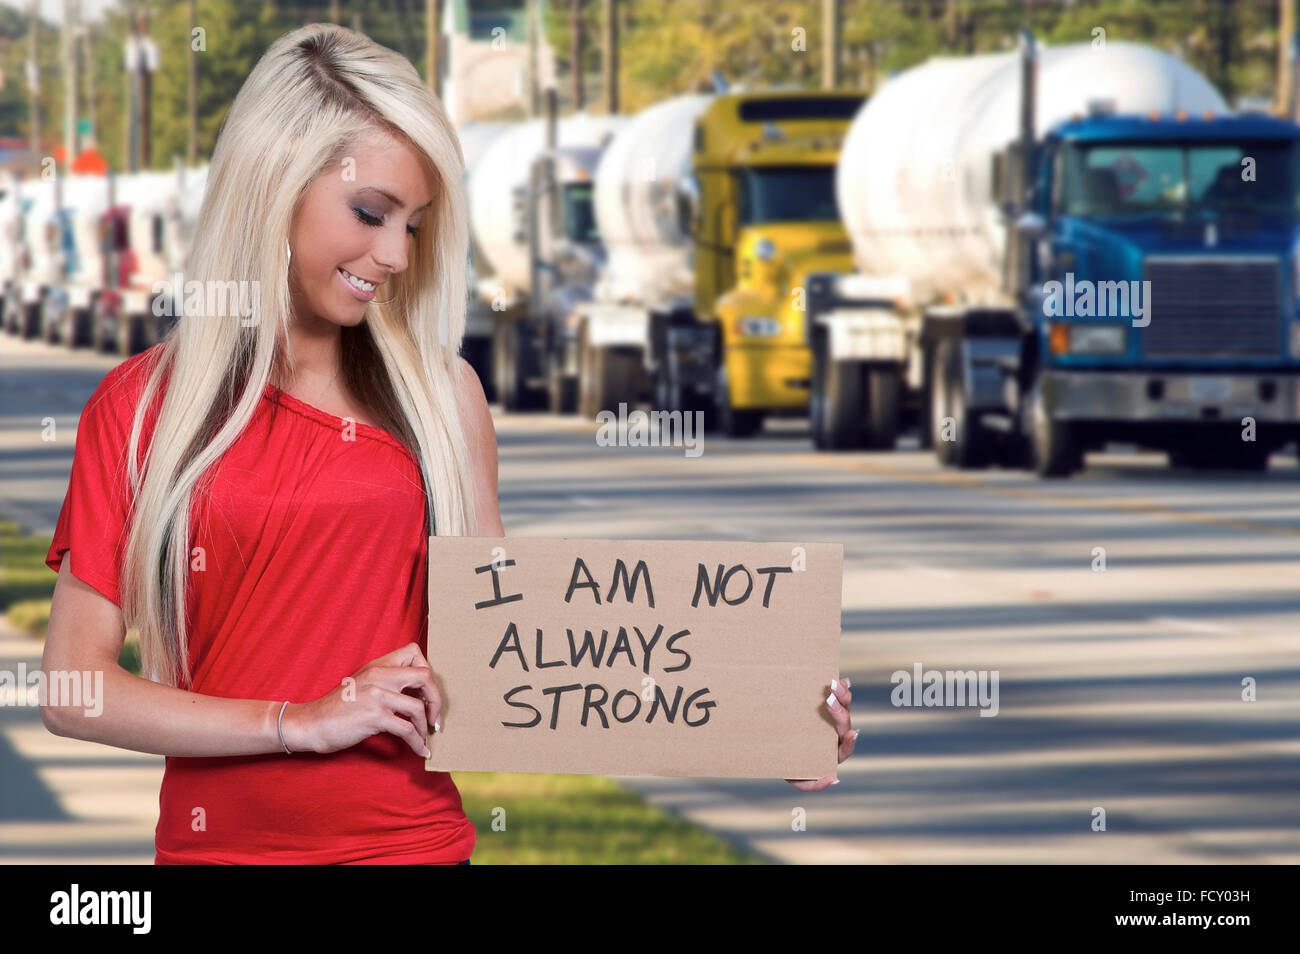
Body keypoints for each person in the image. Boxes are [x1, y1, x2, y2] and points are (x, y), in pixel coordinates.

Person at [39, 23, 856, 865]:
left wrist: (763, 713)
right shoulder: (143, 409)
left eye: (416, 226)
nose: (394, 255)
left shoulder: (443, 398)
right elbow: (74, 690)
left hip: (413, 849)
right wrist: (300, 723)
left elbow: (517, 670)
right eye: (371, 213)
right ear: (272, 184)